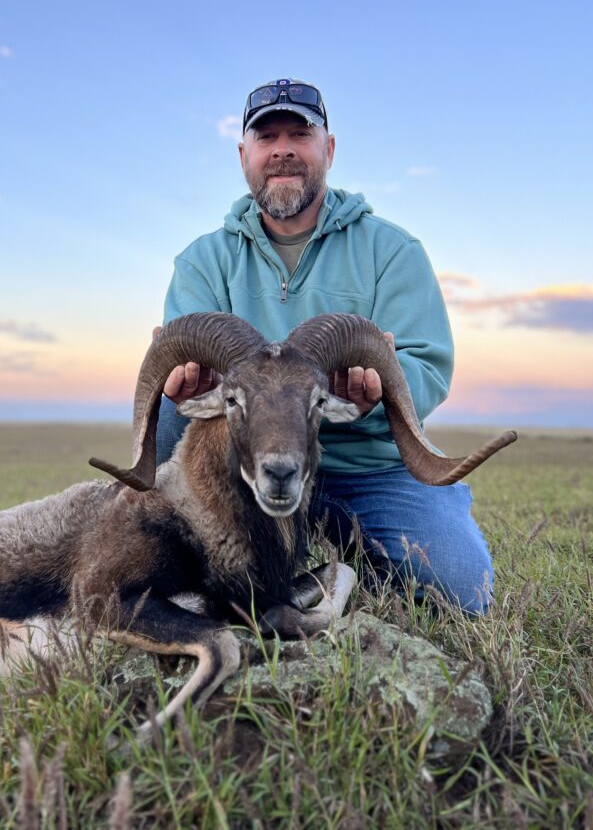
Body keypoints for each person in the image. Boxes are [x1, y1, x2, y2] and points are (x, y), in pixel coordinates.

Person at [155, 78, 493, 615]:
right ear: (244, 156)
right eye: (267, 137)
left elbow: (424, 366)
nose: (283, 150)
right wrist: (187, 382)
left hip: (367, 467)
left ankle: (330, 564)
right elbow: (183, 370)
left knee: (463, 590)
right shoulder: (203, 262)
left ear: (328, 149)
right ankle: (180, 550)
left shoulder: (391, 251)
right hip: (250, 461)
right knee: (173, 418)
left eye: (300, 134)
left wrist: (379, 390)